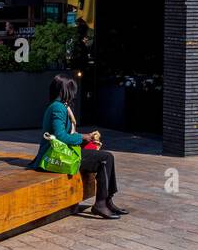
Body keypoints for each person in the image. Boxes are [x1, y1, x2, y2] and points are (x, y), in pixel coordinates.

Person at [33, 74, 127, 220]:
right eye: (71, 90)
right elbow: (60, 136)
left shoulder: (58, 106)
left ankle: (107, 200)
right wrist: (84, 137)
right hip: (54, 156)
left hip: (62, 152)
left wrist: (85, 139)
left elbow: (64, 135)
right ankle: (101, 203)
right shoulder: (58, 108)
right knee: (106, 158)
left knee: (106, 158)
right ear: (64, 91)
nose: (74, 94)